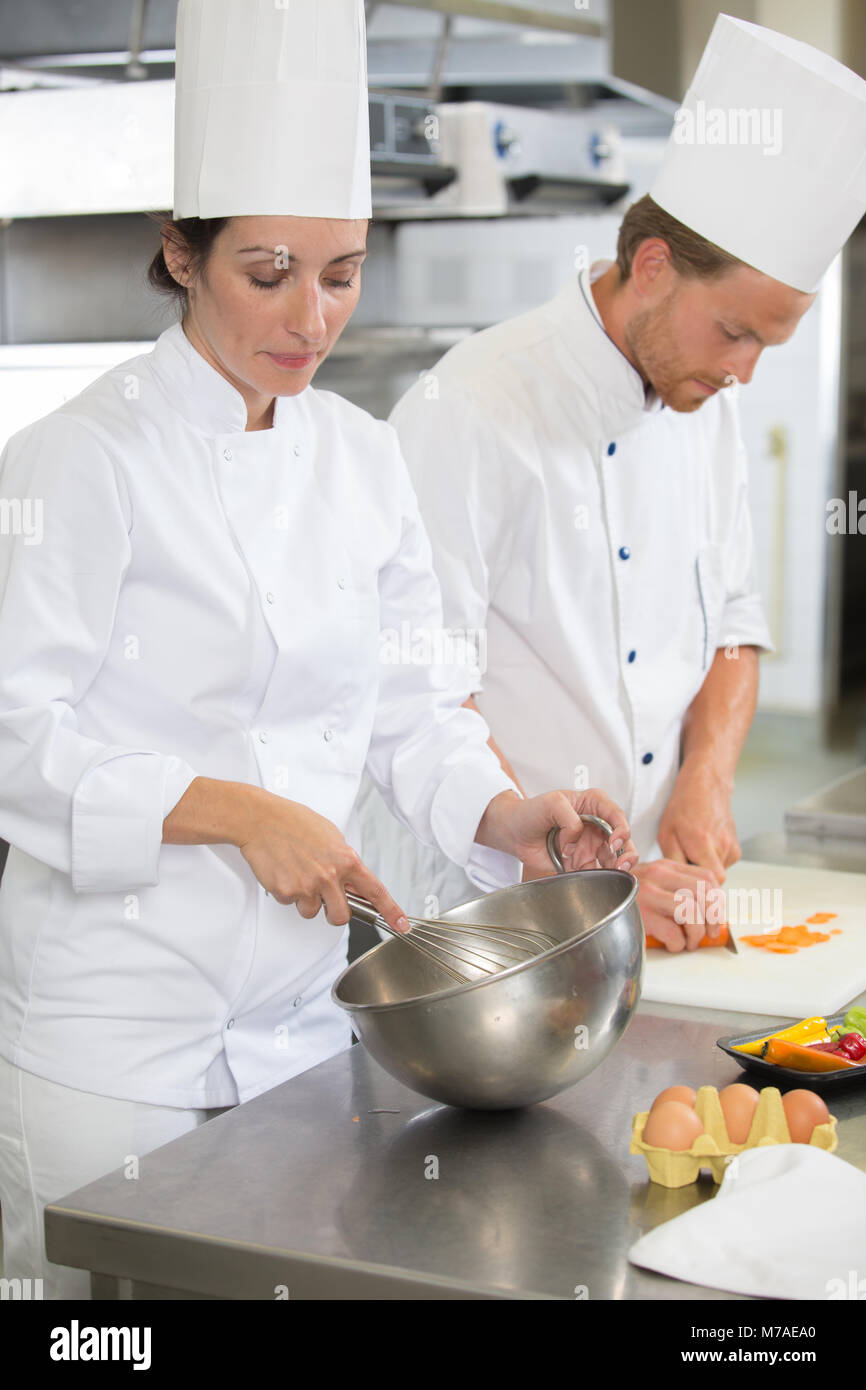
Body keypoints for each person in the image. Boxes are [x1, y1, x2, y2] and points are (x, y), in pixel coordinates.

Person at [0, 0, 636, 1299]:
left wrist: (504, 806)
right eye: (267, 272)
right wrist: (233, 810)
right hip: (116, 1035)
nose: (310, 316)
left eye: (340, 272)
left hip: (302, 1024)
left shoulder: (357, 452)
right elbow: (16, 736)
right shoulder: (80, 461)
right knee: (101, 1323)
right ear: (181, 253)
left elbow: (408, 696)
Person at [358, 13, 866, 951]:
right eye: (736, 333)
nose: (744, 373)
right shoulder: (472, 408)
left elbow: (736, 627)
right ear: (655, 266)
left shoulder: (705, 401)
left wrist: (705, 781)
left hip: (636, 909)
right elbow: (419, 689)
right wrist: (567, 849)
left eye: (768, 343)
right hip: (479, 912)